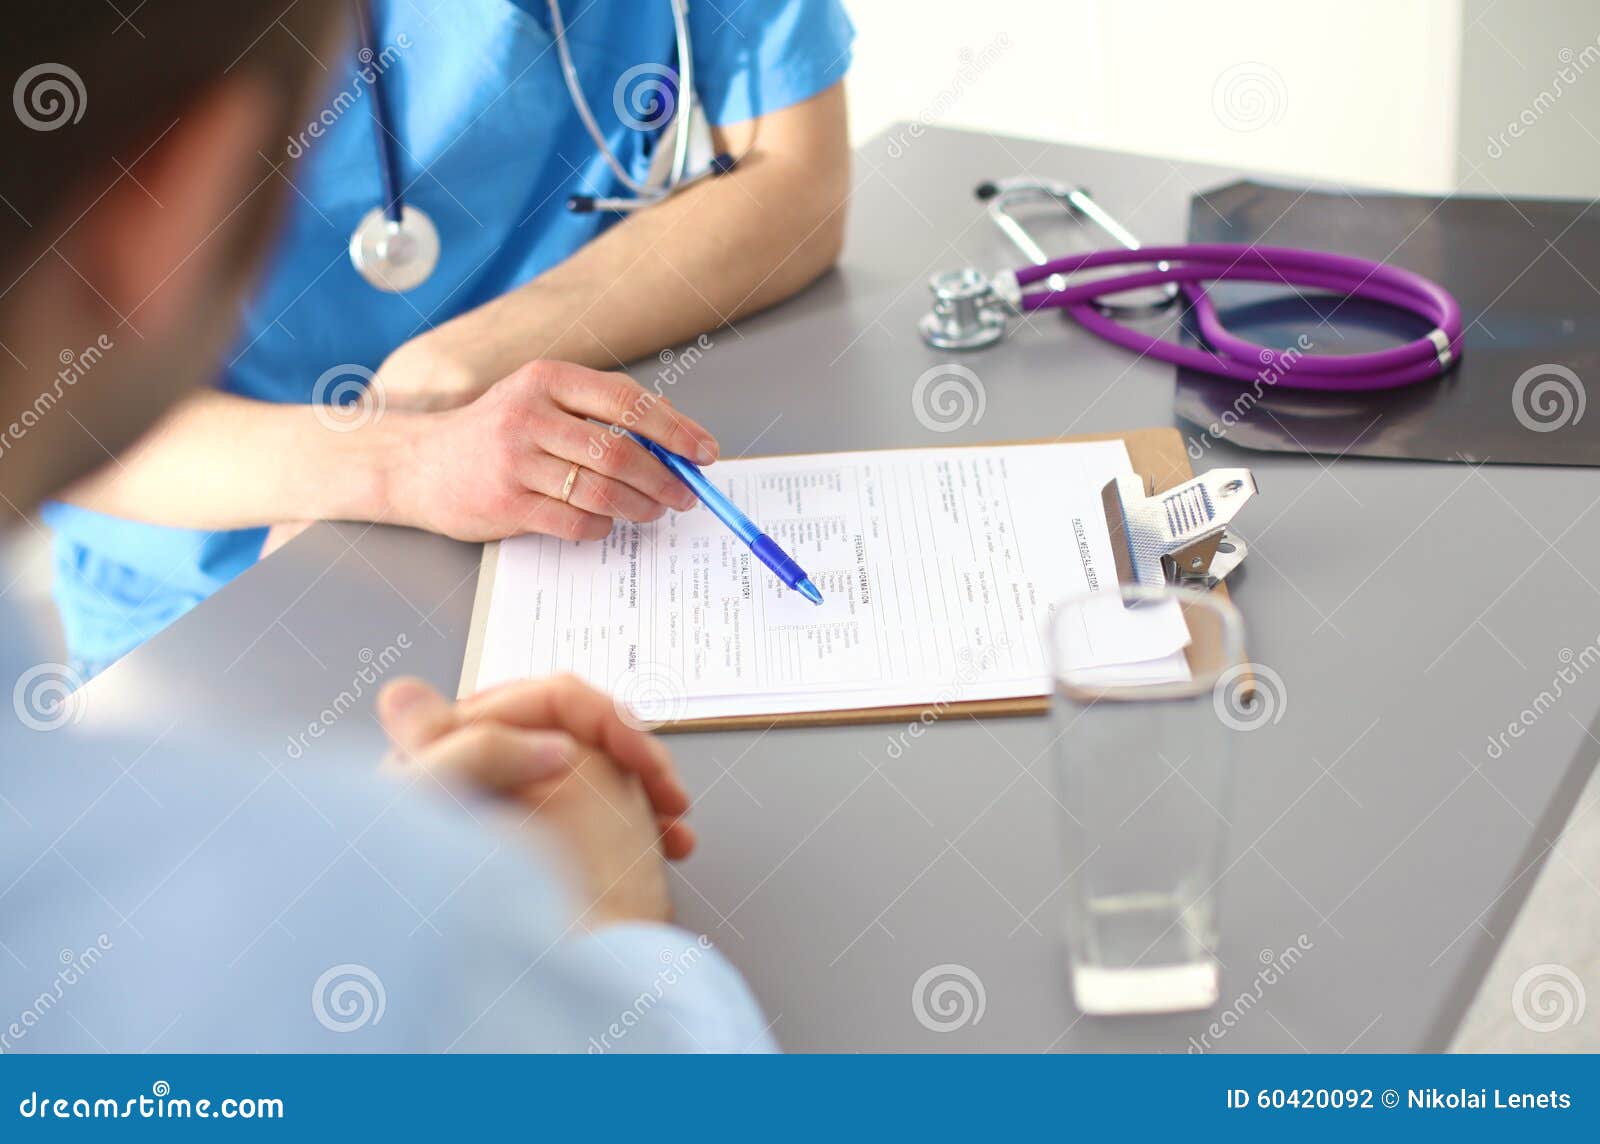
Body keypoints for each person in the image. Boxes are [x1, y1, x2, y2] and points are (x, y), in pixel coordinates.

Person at [2, 1, 771, 1053]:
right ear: (179, 193)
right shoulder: (331, 933)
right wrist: (596, 925)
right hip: (216, 642)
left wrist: (369, 853)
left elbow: (792, 171)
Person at [42, 0, 855, 677]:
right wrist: (394, 460)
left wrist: (455, 365)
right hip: (208, 593)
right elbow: (43, 405)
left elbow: (795, 178)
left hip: (529, 533)